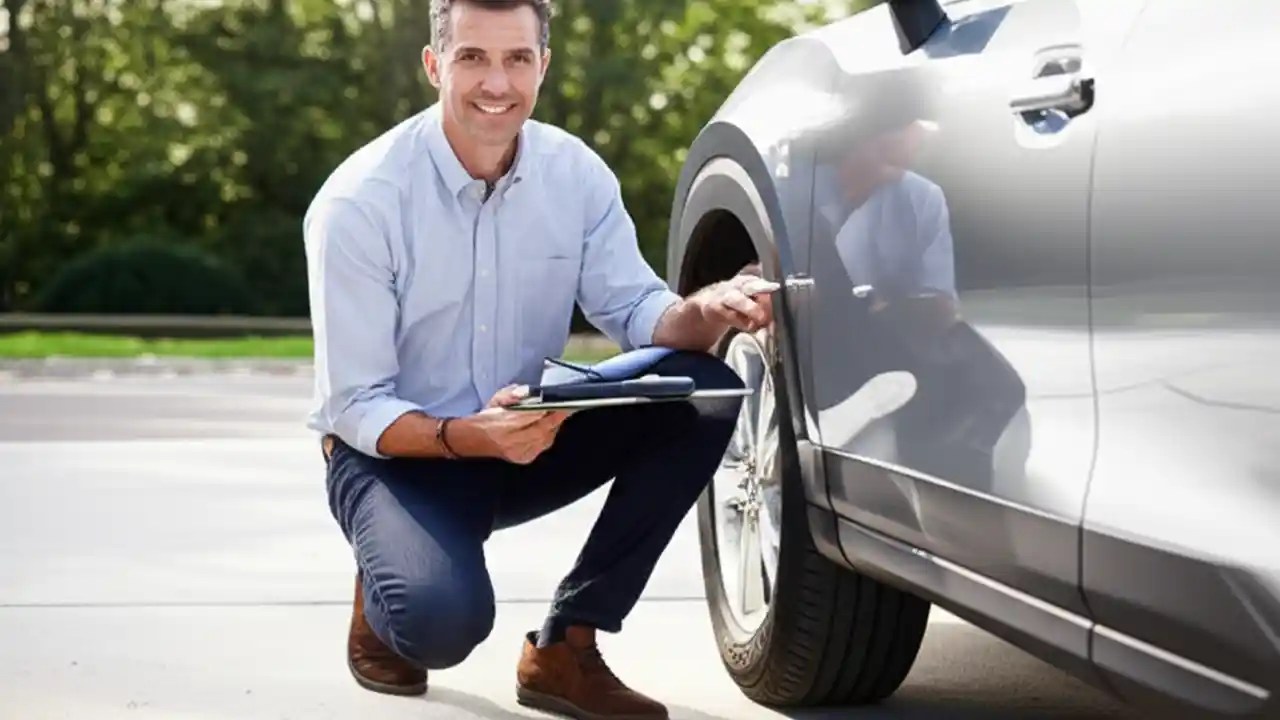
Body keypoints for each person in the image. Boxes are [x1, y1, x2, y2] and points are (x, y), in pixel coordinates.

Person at [301, 1, 773, 718]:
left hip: (529, 431)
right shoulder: (361, 203)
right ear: (434, 65)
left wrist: (702, 309)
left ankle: (566, 647)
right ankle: (387, 574)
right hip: (399, 457)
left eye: (517, 58)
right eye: (473, 58)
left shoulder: (575, 175)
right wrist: (465, 436)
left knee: (704, 390)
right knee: (440, 623)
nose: (498, 82)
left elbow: (637, 310)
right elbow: (356, 405)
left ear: (543, 66)